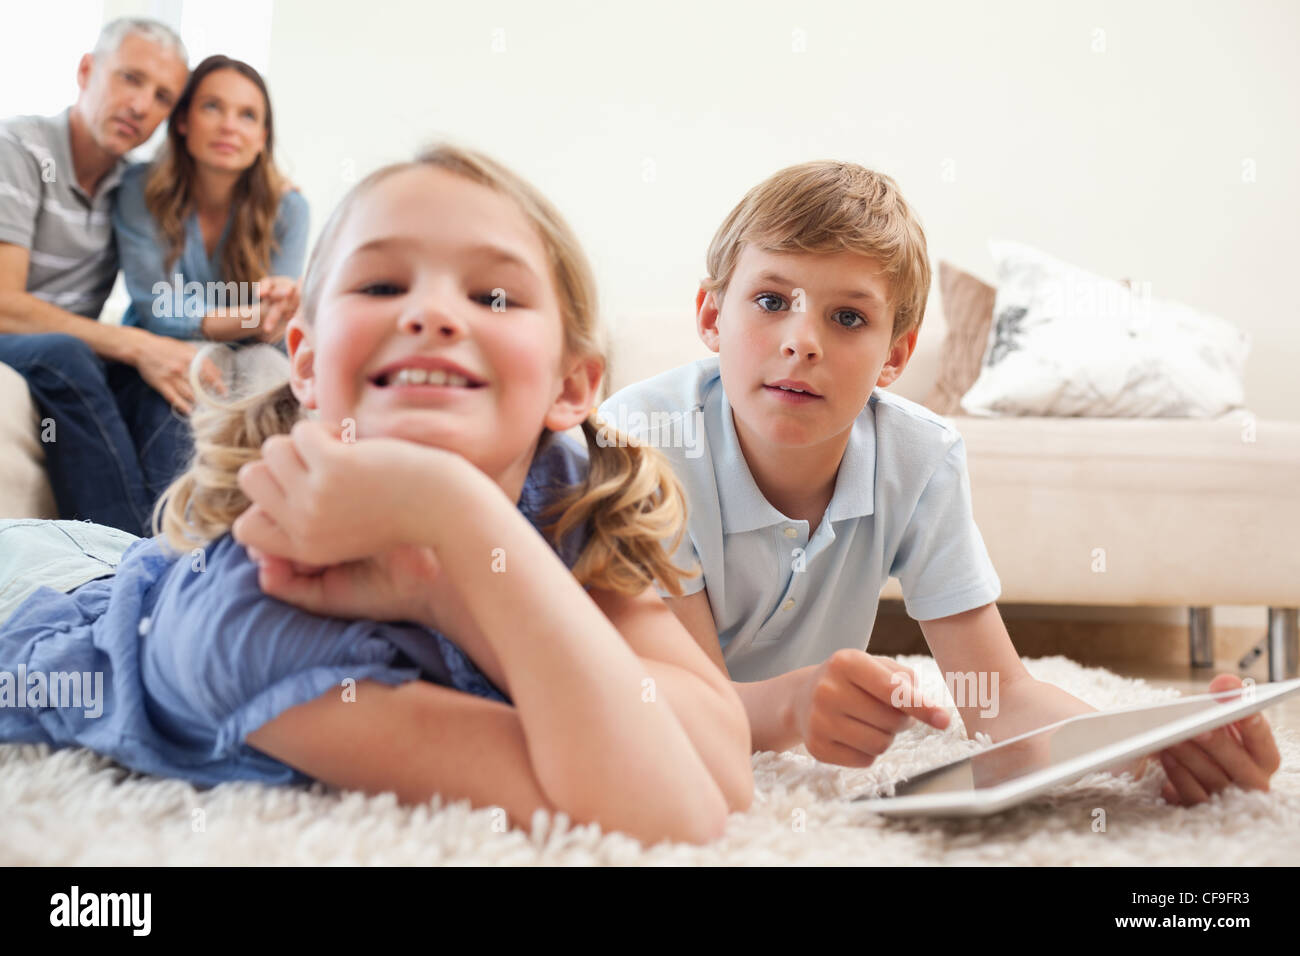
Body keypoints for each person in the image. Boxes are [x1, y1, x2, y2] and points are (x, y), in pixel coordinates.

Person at [0, 146, 753, 847]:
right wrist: (457, 506)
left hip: (123, 564)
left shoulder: (565, 491)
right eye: (382, 285)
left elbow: (721, 763)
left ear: (573, 386)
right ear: (307, 361)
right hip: (37, 587)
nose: (429, 314)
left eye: (493, 294)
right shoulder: (251, 608)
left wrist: (450, 583)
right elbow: (668, 810)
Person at [599, 160, 1281, 807]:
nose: (803, 341)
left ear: (895, 354)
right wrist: (791, 707)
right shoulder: (645, 441)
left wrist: (1148, 753)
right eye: (772, 299)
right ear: (713, 318)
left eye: (848, 317)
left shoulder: (918, 457)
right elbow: (675, 706)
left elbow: (1000, 699)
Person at [0, 18, 221, 537]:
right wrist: (133, 342)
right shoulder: (20, 149)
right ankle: (127, 558)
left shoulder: (135, 184)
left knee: (159, 380)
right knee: (75, 354)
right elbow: (4, 303)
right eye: (130, 78)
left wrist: (275, 193)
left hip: (70, 343)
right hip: (22, 338)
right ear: (86, 70)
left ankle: (185, 547)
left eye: (163, 96)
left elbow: (188, 270)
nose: (142, 106)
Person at [113, 54, 308, 346]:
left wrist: (281, 307)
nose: (229, 126)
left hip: (249, 359)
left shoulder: (289, 209)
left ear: (261, 138)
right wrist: (257, 316)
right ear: (183, 121)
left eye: (247, 115)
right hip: (158, 358)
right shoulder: (140, 189)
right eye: (212, 107)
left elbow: (274, 325)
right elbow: (159, 310)